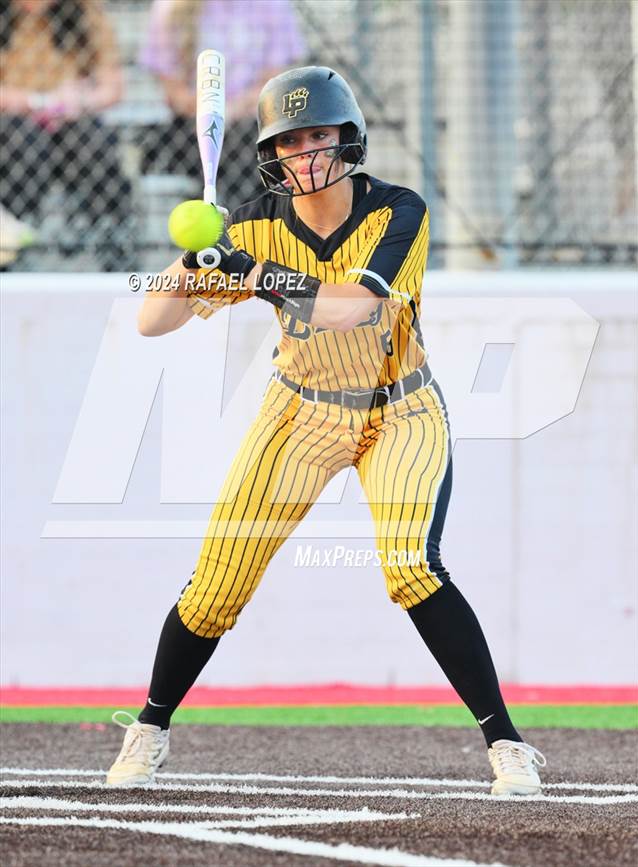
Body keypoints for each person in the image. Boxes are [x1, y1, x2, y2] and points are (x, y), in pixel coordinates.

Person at [106, 66, 547, 796]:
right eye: (290, 141)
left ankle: (507, 744)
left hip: (399, 409)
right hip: (300, 412)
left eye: (319, 136)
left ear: (349, 139)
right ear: (271, 155)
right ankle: (149, 727)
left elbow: (352, 308)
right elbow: (152, 320)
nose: (306, 153)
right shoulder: (248, 226)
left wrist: (256, 274)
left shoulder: (399, 210)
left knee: (412, 567)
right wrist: (192, 261)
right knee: (218, 582)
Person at [0, 0, 132, 270]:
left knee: (91, 142)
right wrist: (32, 101)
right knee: (23, 140)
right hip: (12, 124)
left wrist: (80, 99)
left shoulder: (85, 12)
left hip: (69, 121)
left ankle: (110, 237)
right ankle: (13, 241)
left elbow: (112, 88)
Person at [138, 0, 306, 204]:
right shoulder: (171, 6)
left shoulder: (271, 5)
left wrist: (230, 110)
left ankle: (244, 215)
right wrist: (210, 111)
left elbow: (272, 83)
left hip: (251, 123)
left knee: (250, 145)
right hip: (191, 123)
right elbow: (174, 91)